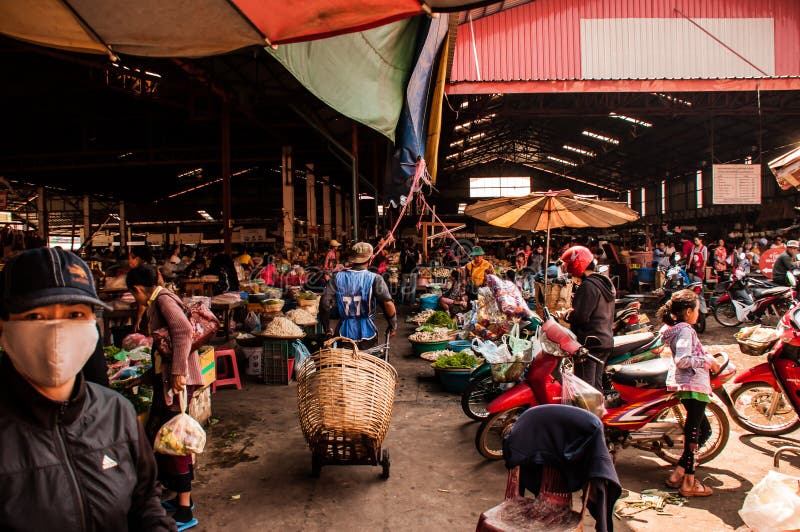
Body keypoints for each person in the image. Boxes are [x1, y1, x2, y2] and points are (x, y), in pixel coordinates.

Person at [0, 247, 173, 531]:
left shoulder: (117, 413)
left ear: (93, 322)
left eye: (75, 314)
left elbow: (144, 501)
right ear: (3, 324)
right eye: (35, 317)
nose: (57, 331)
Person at [127, 265, 204, 531]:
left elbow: (182, 331)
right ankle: (185, 499)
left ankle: (184, 512)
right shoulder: (163, 297)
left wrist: (178, 372)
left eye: (132, 294)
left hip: (178, 379)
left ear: (137, 289)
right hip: (171, 376)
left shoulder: (161, 300)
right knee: (168, 434)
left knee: (177, 440)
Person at [659, 289, 721, 498]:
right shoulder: (685, 330)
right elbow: (683, 360)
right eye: (696, 309)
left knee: (703, 431)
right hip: (693, 385)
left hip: (689, 385)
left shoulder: (676, 328)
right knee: (694, 433)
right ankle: (689, 483)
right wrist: (708, 361)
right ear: (687, 311)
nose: (699, 313)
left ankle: (678, 473)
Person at [319, 242, 398, 349]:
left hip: (343, 332)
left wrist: (327, 329)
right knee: (366, 363)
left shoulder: (337, 277)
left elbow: (324, 302)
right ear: (370, 260)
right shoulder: (375, 278)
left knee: (344, 364)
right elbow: (388, 303)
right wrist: (392, 325)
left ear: (352, 259)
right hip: (367, 332)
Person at [560, 246, 615, 392]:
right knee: (595, 387)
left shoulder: (588, 286)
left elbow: (581, 317)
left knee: (586, 389)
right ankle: (597, 414)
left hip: (589, 344)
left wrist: (566, 315)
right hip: (604, 341)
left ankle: (588, 414)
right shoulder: (604, 283)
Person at [400, 239, 420, 304]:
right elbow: (417, 261)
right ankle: (411, 303)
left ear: (407, 244)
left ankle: (402, 302)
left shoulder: (403, 251)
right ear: (413, 244)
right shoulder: (416, 251)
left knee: (403, 287)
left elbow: (401, 261)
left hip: (405, 272)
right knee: (413, 288)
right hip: (413, 272)